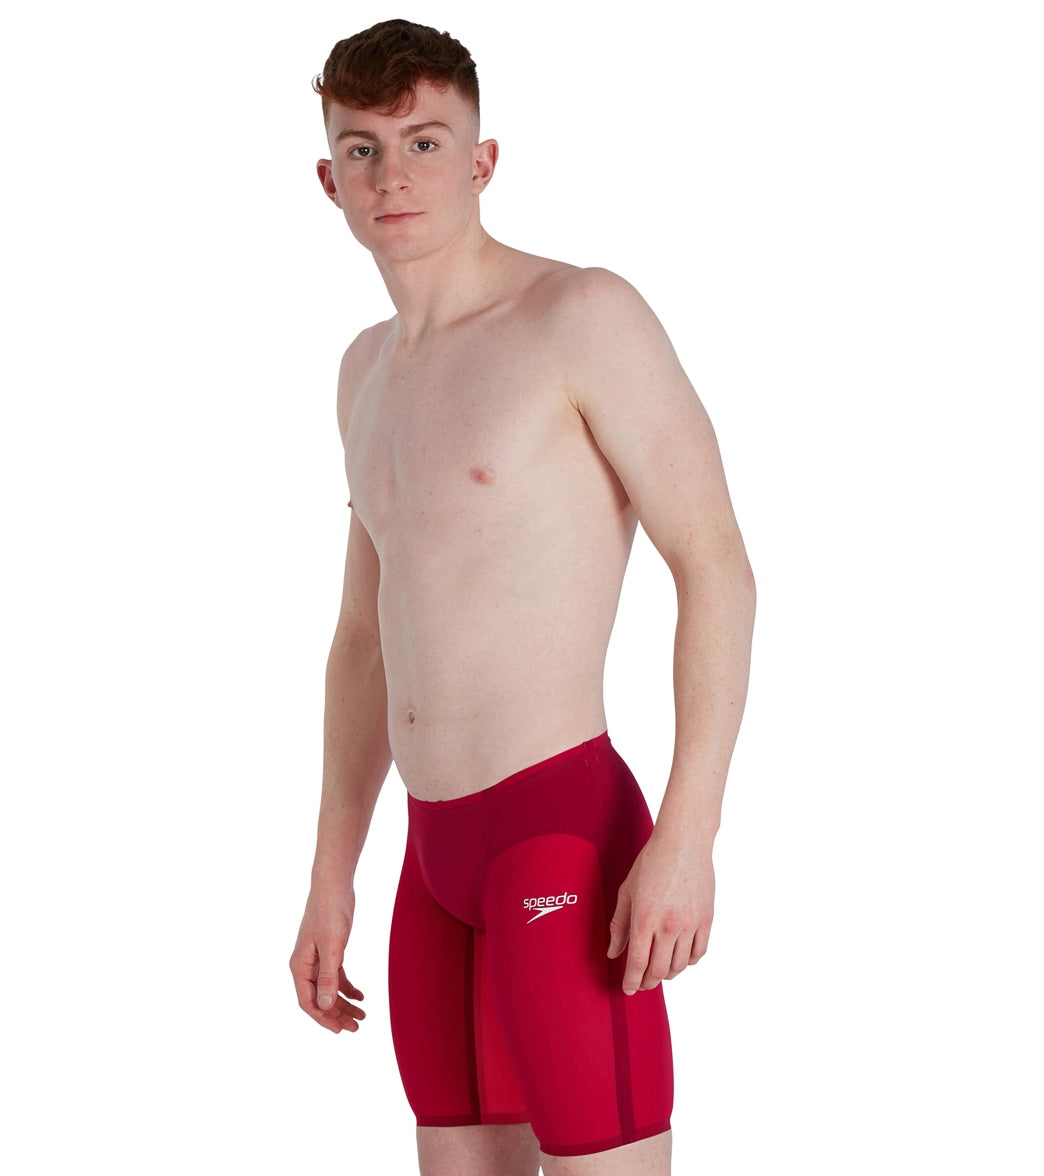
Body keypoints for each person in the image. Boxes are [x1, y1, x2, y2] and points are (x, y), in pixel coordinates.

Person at [289, 18, 755, 1176]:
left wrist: (689, 835)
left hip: (560, 834)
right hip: (430, 859)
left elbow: (715, 564)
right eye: (362, 149)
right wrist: (331, 874)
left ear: (483, 160)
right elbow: (364, 638)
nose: (392, 176)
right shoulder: (363, 371)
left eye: (425, 142)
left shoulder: (579, 317)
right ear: (328, 178)